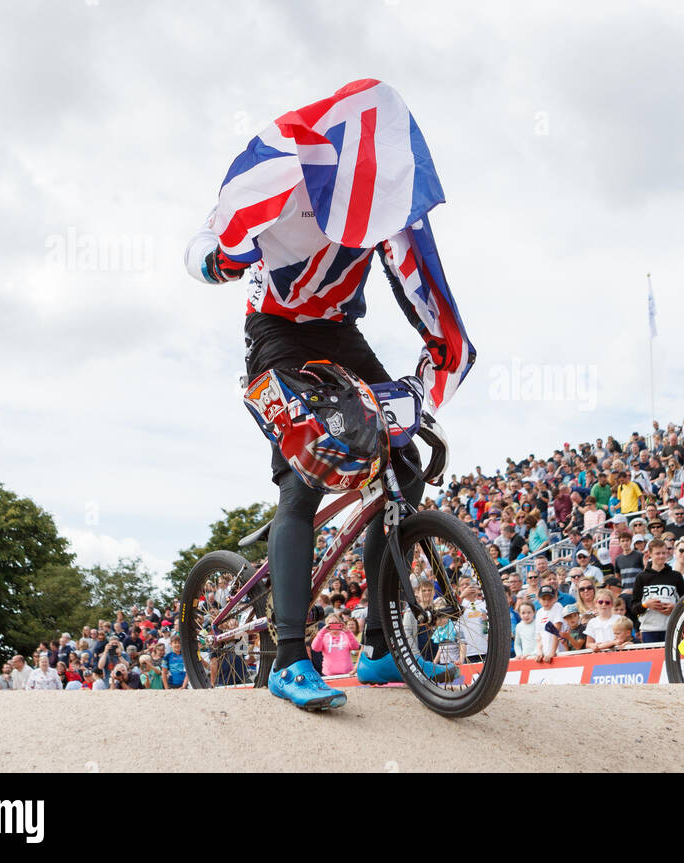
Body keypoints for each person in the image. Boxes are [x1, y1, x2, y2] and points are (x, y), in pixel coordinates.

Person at [184, 82, 470, 711]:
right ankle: (289, 659)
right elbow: (204, 243)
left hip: (340, 331)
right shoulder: (282, 171)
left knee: (402, 463)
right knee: (305, 474)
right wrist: (220, 263)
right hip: (277, 334)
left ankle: (377, 646)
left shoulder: (385, 196)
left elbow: (419, 277)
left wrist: (447, 345)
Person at [629, 539, 684, 644]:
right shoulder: (641, 578)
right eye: (657, 553)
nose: (661, 556)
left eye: (664, 553)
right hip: (649, 630)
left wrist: (675, 607)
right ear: (650, 554)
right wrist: (646, 605)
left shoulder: (676, 576)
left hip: (672, 627)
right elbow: (634, 608)